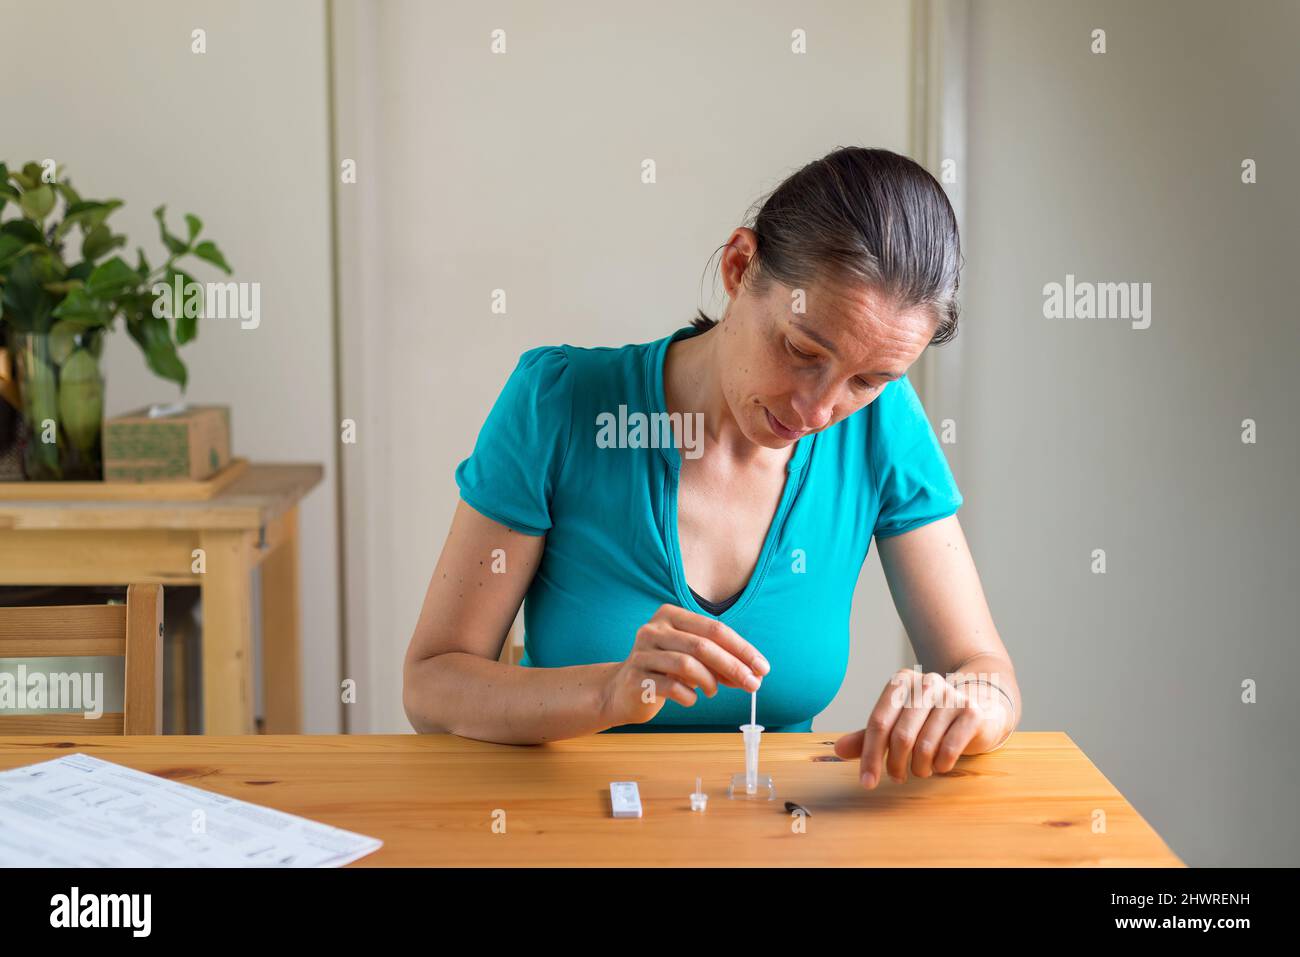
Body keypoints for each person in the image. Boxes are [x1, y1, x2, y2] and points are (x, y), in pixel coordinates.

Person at [404, 146, 1020, 789]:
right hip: (563, 830)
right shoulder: (558, 402)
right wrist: (608, 693)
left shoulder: (884, 427)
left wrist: (975, 704)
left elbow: (981, 668)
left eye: (868, 380)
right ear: (738, 266)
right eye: (802, 349)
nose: (817, 409)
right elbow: (432, 683)